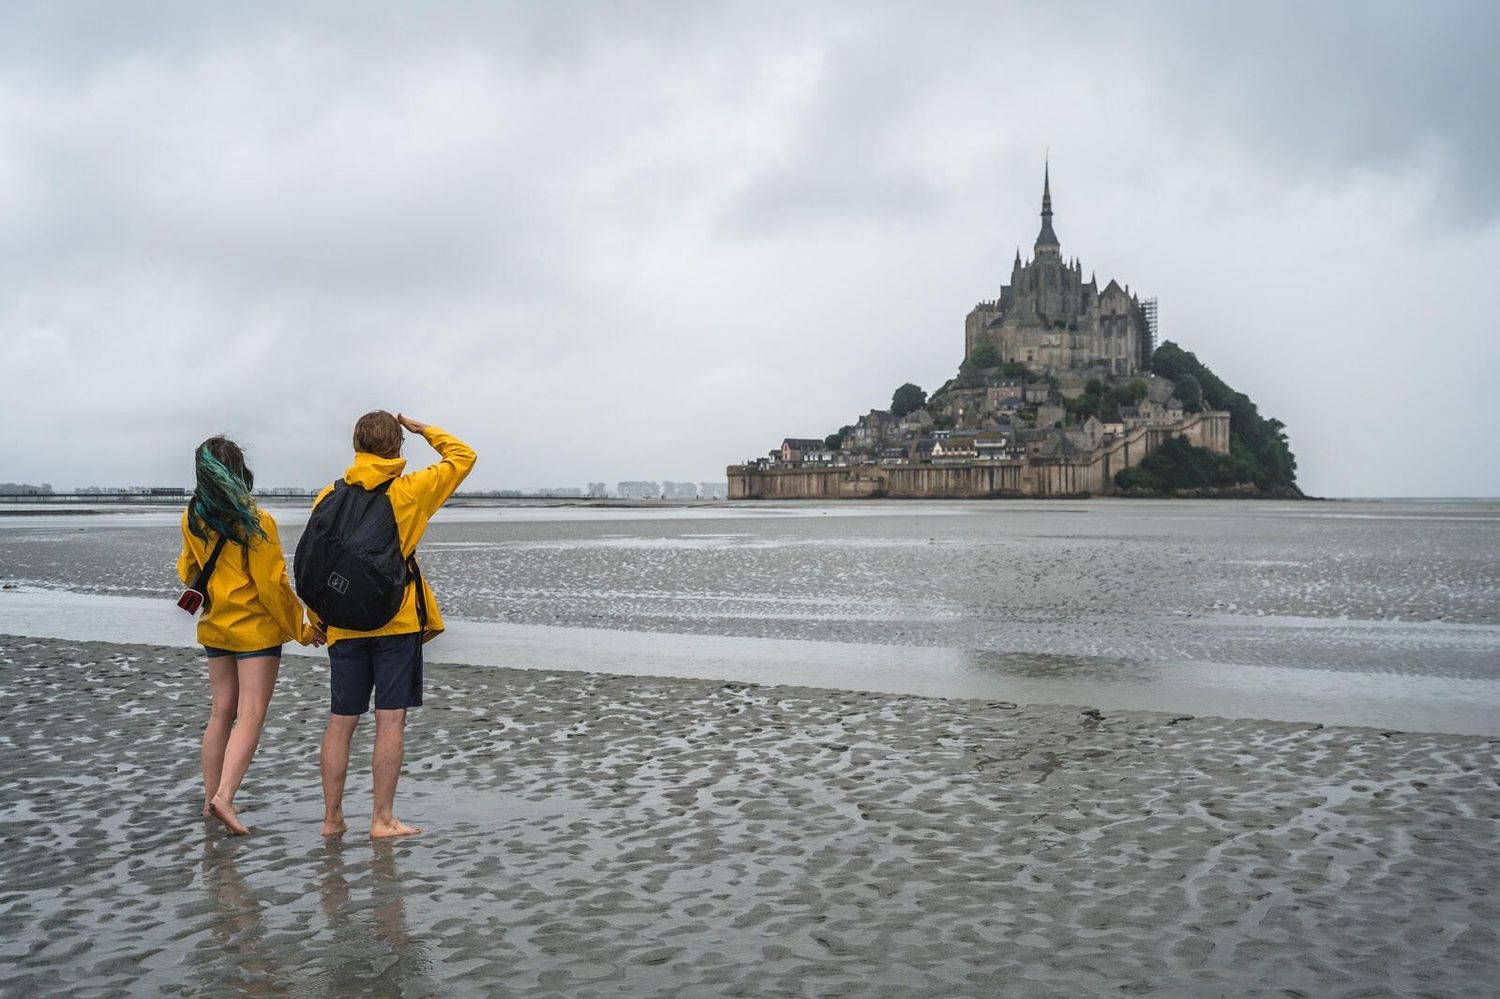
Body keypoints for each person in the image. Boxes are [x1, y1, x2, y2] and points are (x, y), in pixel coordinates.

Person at [313, 411, 475, 839]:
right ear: (397, 447)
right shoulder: (410, 491)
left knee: (340, 721)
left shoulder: (328, 495)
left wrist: (317, 618)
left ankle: (332, 819)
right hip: (396, 620)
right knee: (389, 720)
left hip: (343, 625)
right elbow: (463, 456)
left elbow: (318, 564)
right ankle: (382, 819)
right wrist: (425, 431)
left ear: (356, 445)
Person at [178, 436, 323, 836]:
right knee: (252, 713)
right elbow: (271, 586)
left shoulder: (193, 518)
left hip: (216, 625)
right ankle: (225, 796)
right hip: (255, 631)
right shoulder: (258, 522)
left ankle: (211, 799)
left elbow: (187, 569)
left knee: (221, 713)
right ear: (239, 471)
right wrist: (303, 630)